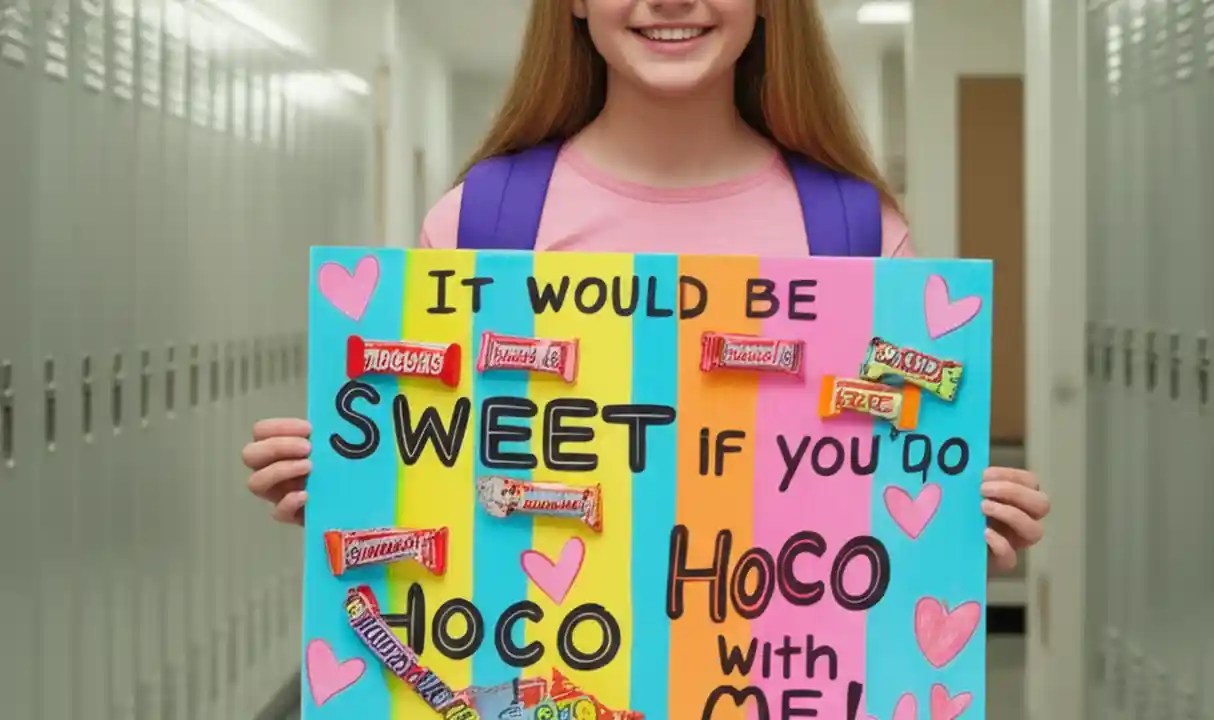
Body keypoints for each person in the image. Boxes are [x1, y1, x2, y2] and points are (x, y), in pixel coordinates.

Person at [241, 0, 1049, 572]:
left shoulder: (855, 233)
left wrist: (955, 530)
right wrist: (351, 491)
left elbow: (893, 485)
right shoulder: (479, 224)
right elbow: (439, 489)